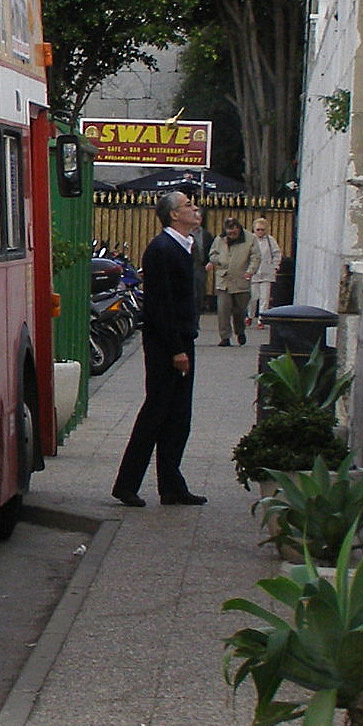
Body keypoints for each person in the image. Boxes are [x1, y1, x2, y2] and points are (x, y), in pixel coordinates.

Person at [111, 189, 207, 507]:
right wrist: (176, 349)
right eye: (188, 205)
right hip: (167, 344)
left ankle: (172, 484)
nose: (195, 209)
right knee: (155, 414)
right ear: (173, 215)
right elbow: (161, 304)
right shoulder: (162, 249)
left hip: (181, 339)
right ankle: (127, 484)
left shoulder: (185, 246)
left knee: (179, 417)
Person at [208, 217, 258, 347]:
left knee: (239, 311)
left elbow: (255, 257)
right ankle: (225, 337)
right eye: (229, 233)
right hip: (224, 280)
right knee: (223, 310)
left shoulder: (250, 239)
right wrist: (218, 260)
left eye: (234, 232)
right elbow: (212, 254)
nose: (231, 235)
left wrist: (250, 271)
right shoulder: (219, 239)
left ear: (238, 228)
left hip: (241, 279)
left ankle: (240, 331)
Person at [247, 218, 282, 326]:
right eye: (258, 229)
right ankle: (250, 315)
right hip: (254, 273)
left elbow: (276, 253)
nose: (260, 232)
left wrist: (275, 266)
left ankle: (261, 319)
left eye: (262, 230)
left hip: (267, 272)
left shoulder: (270, 240)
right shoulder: (250, 239)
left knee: (265, 298)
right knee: (253, 297)